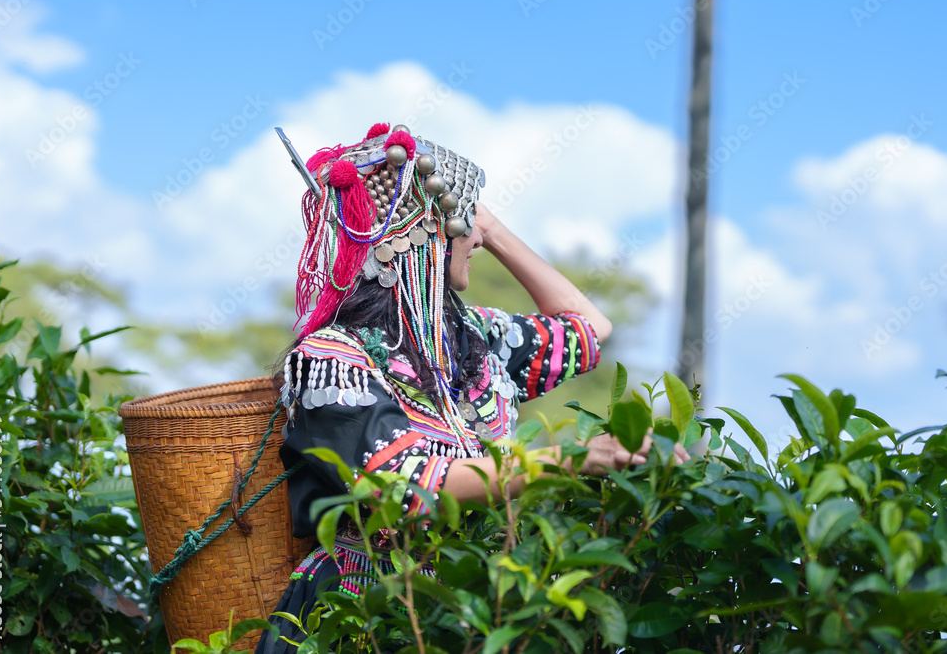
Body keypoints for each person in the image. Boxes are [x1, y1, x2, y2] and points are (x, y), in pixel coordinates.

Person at [256, 123, 689, 653]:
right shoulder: (330, 360)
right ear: (422, 233)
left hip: (473, 609)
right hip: (361, 617)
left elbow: (589, 329)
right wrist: (571, 460)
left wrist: (494, 227)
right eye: (464, 221)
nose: (477, 238)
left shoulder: (475, 339)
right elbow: (411, 487)